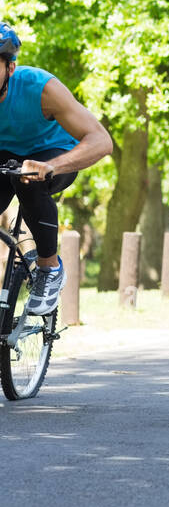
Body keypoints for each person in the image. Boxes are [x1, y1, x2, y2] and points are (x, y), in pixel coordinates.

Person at [0, 23, 113, 314]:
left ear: (10, 68)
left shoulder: (40, 88)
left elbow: (101, 141)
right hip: (6, 153)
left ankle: (49, 269)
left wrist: (52, 166)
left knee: (28, 179)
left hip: (53, 153)